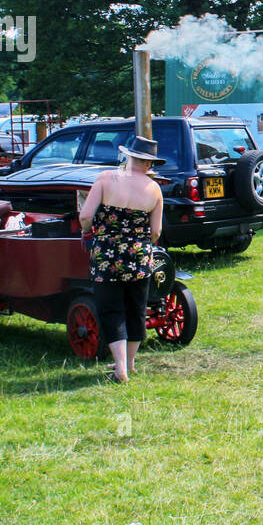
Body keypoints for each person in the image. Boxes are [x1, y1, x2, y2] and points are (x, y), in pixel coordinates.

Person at [79, 136, 164, 383]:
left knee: (112, 309)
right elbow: (156, 232)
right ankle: (131, 363)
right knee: (136, 309)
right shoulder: (154, 189)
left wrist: (87, 231)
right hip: (139, 257)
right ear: (149, 164)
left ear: (128, 157)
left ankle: (120, 368)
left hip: (107, 254)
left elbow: (86, 215)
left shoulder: (106, 178)